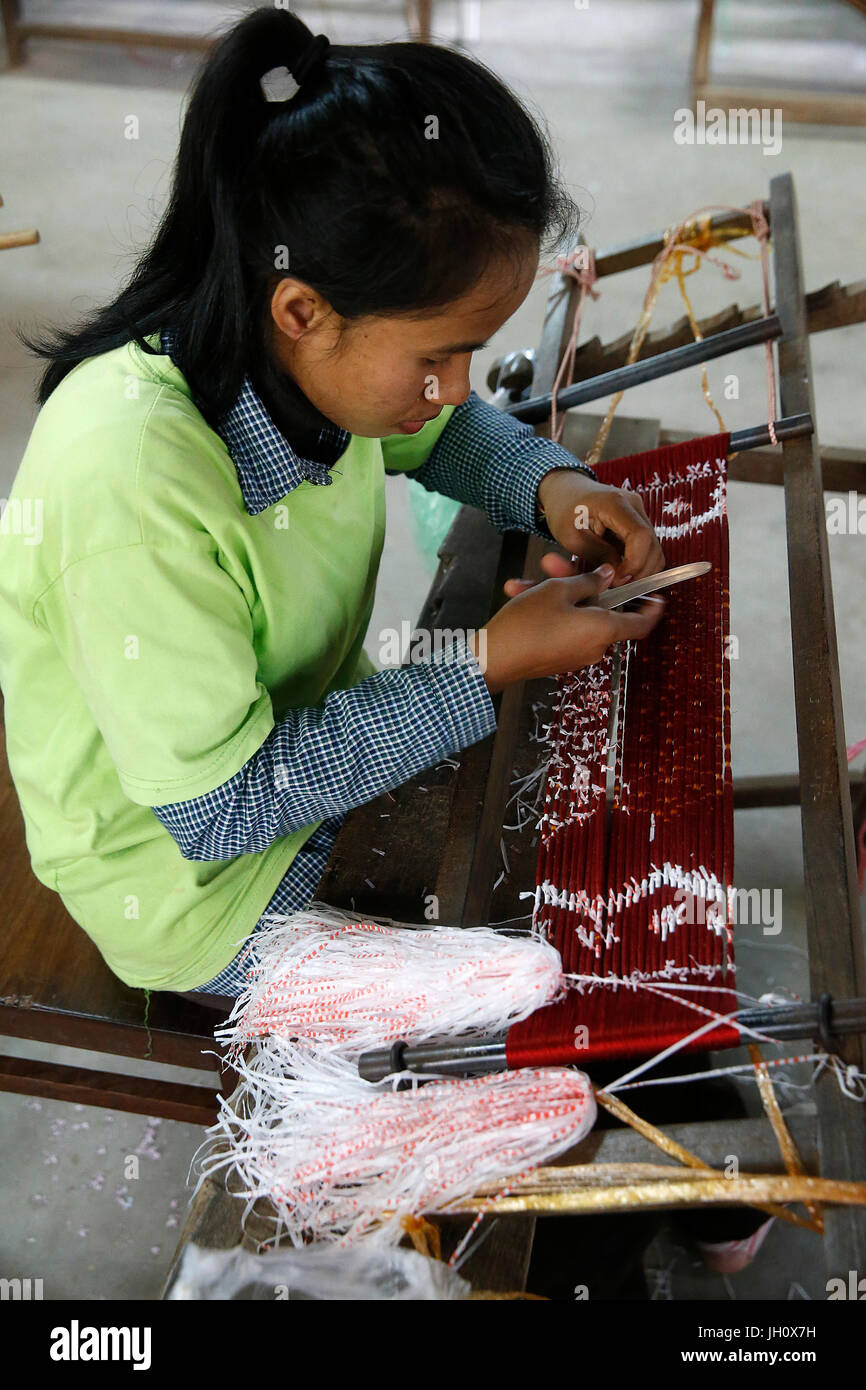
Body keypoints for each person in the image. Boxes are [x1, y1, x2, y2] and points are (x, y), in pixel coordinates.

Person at [0, 7, 664, 999]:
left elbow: (438, 427)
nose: (454, 384)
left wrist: (546, 483)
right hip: (196, 887)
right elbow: (220, 808)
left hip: (272, 773)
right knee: (531, 996)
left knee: (545, 862)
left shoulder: (295, 358)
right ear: (302, 311)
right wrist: (484, 663)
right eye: (436, 354)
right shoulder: (136, 486)